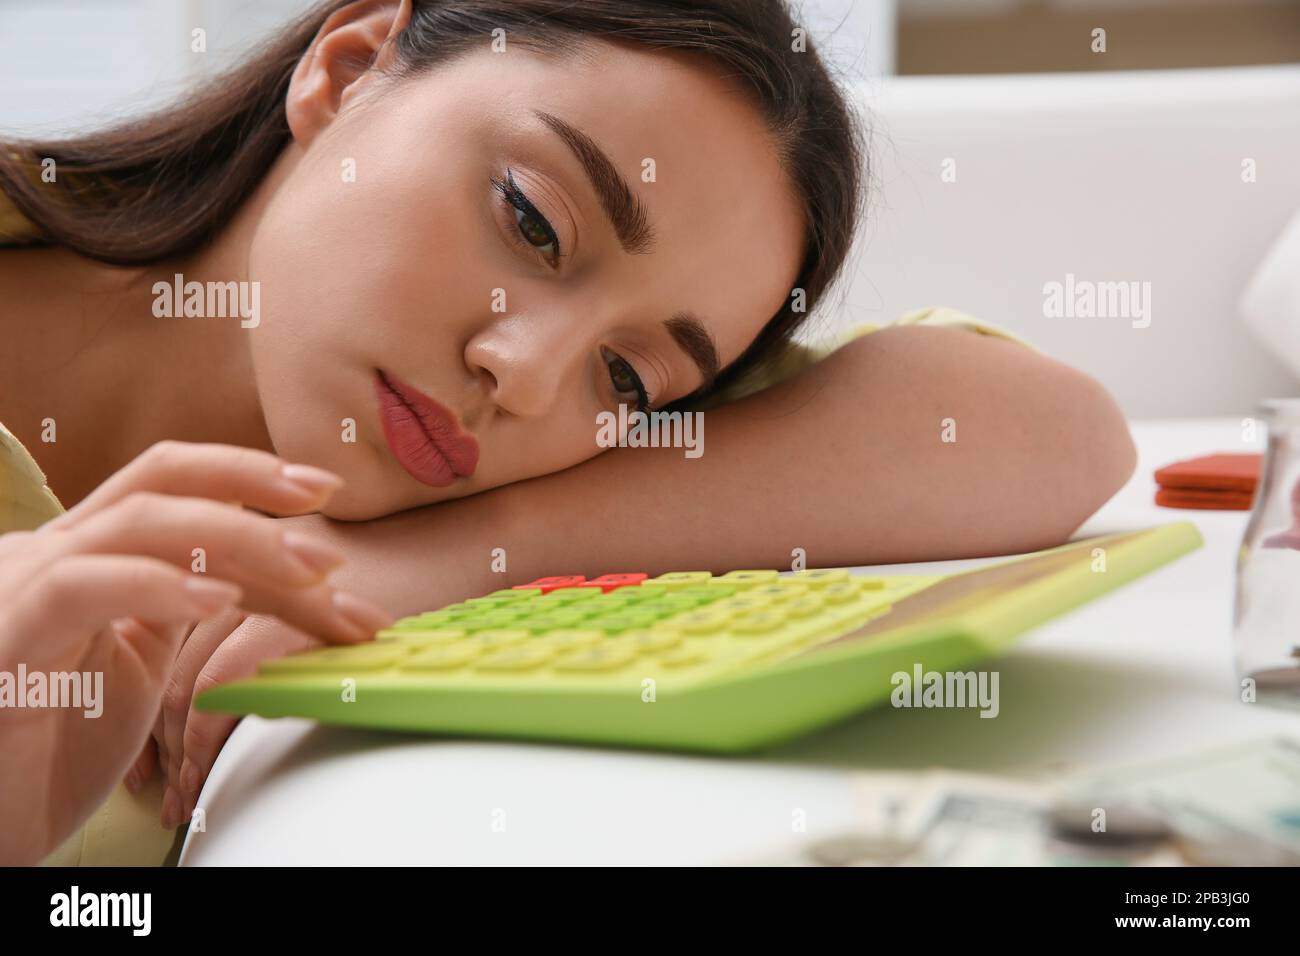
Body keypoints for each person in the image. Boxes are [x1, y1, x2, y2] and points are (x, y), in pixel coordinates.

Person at [0, 0, 1135, 863]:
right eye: (532, 220)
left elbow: (1054, 433)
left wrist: (435, 558)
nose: (528, 376)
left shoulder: (539, 459)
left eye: (631, 376)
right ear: (349, 72)